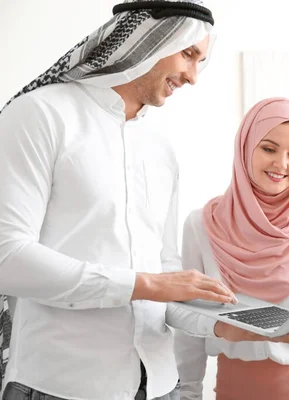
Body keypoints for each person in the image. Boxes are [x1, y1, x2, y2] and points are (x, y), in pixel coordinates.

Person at [0, 1, 238, 399]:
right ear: (150, 39)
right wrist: (142, 285)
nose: (194, 77)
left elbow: (165, 276)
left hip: (160, 385)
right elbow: (7, 257)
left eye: (202, 61)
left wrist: (222, 325)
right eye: (189, 54)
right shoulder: (41, 115)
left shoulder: (160, 149)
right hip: (62, 385)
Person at [173, 97, 289, 400]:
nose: (281, 164)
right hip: (235, 386)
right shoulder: (201, 225)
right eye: (268, 149)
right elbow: (186, 317)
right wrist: (188, 390)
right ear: (245, 146)